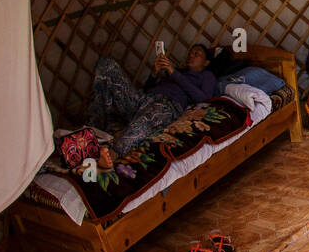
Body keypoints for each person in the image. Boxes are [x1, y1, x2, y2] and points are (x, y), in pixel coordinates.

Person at [85, 44, 218, 165]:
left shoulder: (206, 76)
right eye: (190, 52)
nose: (191, 55)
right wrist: (154, 74)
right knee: (106, 64)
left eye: (197, 54)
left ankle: (113, 154)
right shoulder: (176, 71)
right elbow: (148, 89)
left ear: (206, 62)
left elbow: (203, 98)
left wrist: (174, 73)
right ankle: (96, 128)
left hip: (166, 106)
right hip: (142, 100)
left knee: (146, 119)